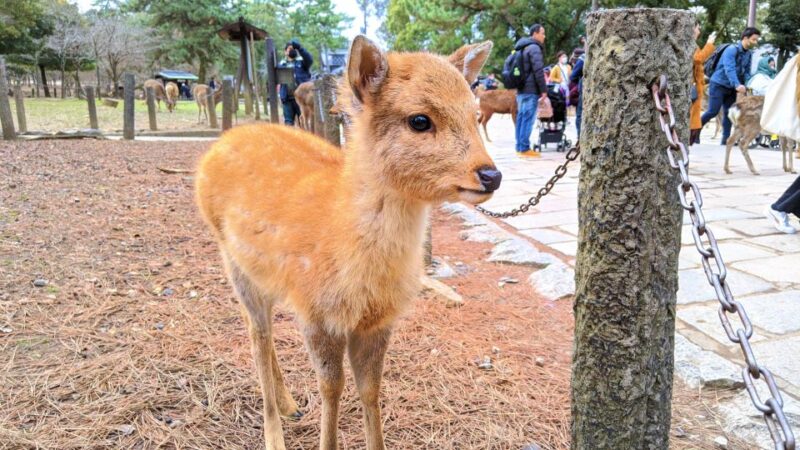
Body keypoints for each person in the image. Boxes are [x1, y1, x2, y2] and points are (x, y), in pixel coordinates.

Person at [700, 27, 761, 145]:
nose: (755, 42)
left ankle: (725, 140)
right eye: (753, 39)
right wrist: (737, 84)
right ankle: (694, 131)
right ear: (745, 38)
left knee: (729, 113)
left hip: (732, 88)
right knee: (713, 111)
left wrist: (748, 84)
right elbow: (729, 69)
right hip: (718, 84)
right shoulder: (731, 50)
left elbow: (747, 72)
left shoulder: (748, 54)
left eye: (756, 40)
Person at [514, 23, 548, 157]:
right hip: (530, 89)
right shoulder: (534, 48)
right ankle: (524, 149)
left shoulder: (521, 48)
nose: (544, 36)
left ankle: (519, 147)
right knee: (528, 119)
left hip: (521, 90)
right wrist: (544, 90)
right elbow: (538, 70)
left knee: (521, 118)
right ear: (535, 33)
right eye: (542, 33)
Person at [690, 25, 716, 145]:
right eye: (697, 28)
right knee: (691, 121)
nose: (699, 31)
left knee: (693, 120)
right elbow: (698, 59)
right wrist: (709, 44)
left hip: (695, 87)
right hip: (691, 89)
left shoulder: (692, 44)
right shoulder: (689, 45)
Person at [278, 40, 313, 126]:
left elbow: (309, 59)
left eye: (294, 49)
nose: (292, 50)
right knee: (288, 123)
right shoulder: (281, 65)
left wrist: (300, 48)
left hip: (302, 98)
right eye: (290, 49)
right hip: (287, 98)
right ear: (285, 52)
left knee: (304, 122)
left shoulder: (302, 62)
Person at [569, 48, 585, 140]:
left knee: (579, 116)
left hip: (583, 91)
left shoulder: (581, 59)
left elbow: (573, 76)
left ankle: (580, 139)